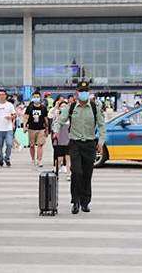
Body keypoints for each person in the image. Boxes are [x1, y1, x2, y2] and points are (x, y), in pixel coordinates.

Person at [53, 81, 106, 215]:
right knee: (76, 172)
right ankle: (75, 201)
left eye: (86, 91)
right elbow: (60, 120)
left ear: (89, 93)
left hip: (89, 144)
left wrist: (101, 141)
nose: (83, 93)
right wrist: (56, 131)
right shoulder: (71, 107)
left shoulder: (95, 107)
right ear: (77, 93)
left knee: (87, 174)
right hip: (75, 143)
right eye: (81, 91)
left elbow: (101, 125)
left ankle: (85, 202)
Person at [0, 89, 15, 167]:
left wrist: (10, 117)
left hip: (8, 129)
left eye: (3, 94)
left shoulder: (10, 105)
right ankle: (0, 160)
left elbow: (14, 115)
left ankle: (7, 158)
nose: (2, 96)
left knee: (9, 144)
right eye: (0, 94)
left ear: (6, 96)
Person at [23, 91, 49, 167]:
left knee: (40, 145)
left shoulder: (43, 108)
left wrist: (47, 129)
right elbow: (26, 117)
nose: (36, 98)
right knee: (32, 145)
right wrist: (24, 126)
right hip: (31, 128)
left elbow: (46, 119)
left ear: (40, 98)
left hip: (41, 129)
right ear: (32, 98)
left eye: (38, 97)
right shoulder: (30, 107)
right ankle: (33, 159)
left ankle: (39, 160)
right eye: (35, 97)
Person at [48, 99, 71, 181]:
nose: (63, 108)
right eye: (62, 106)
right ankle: (57, 172)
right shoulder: (56, 117)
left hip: (68, 140)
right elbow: (53, 123)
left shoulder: (69, 117)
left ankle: (68, 174)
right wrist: (56, 110)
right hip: (59, 140)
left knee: (68, 158)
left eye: (65, 106)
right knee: (60, 159)